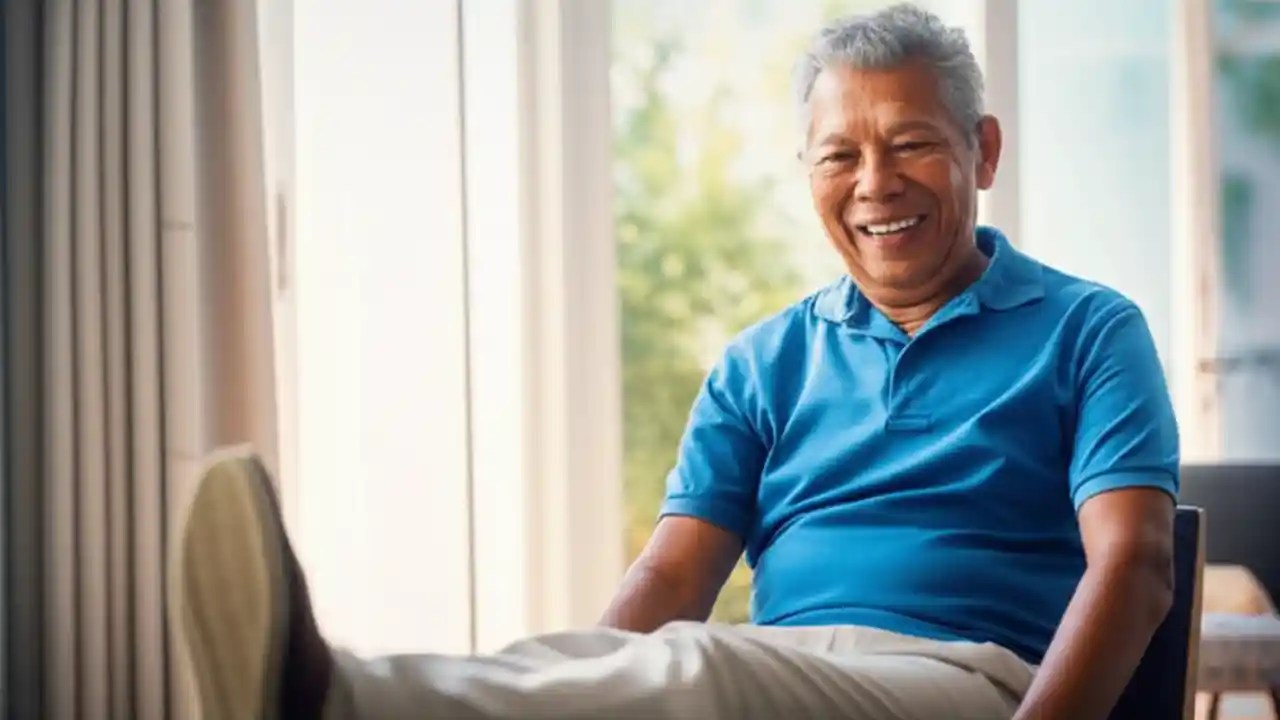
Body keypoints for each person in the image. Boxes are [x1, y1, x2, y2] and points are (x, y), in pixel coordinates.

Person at [174, 4, 1180, 719]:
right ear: (808, 173)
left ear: (982, 152)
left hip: (970, 678)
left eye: (910, 144)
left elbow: (1131, 562)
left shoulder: (1087, 330)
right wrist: (590, 673)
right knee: (586, 661)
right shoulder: (759, 363)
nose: (874, 184)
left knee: (694, 679)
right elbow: (669, 571)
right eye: (838, 155)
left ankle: (332, 700)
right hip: (778, 671)